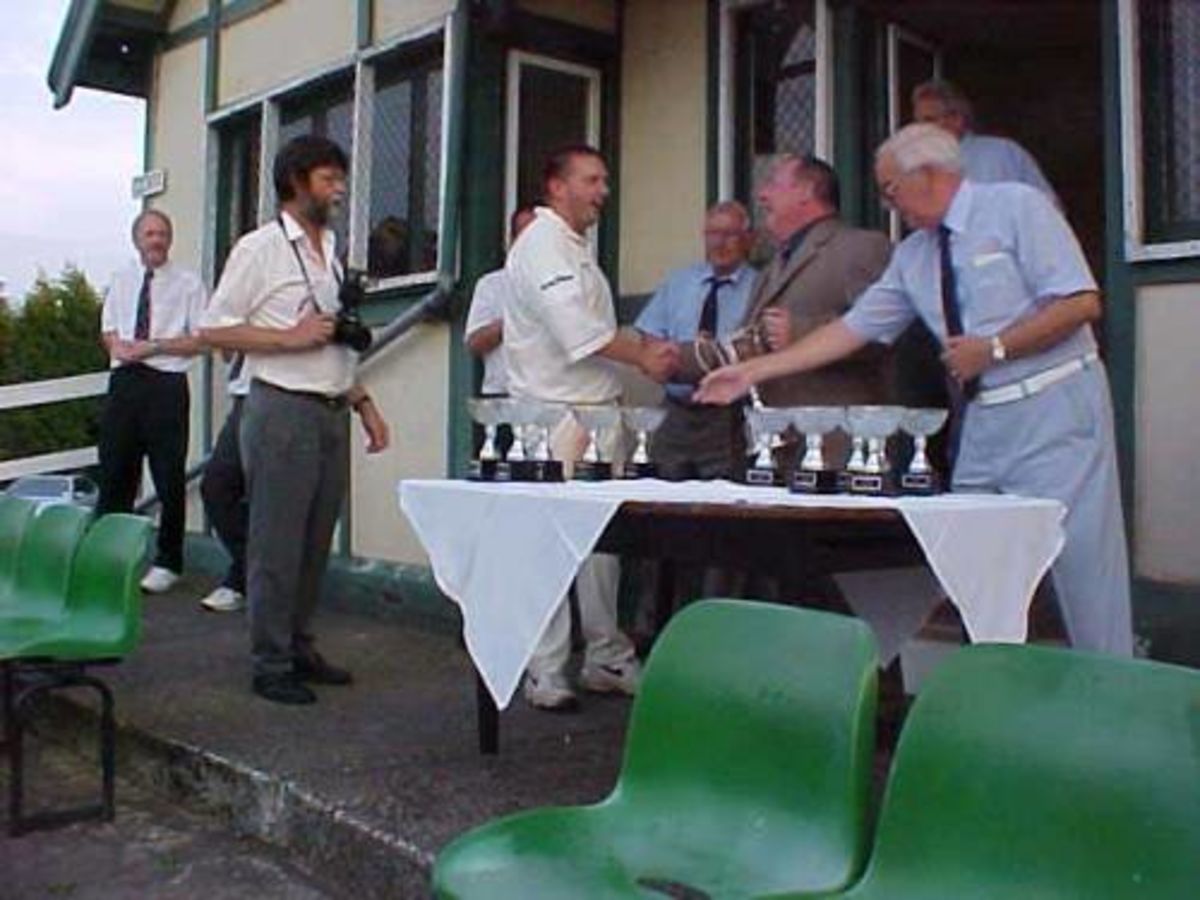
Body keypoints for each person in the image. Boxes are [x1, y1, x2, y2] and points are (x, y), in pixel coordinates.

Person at [696, 124, 1132, 657]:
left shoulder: (1016, 207)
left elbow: (1080, 302)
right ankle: (996, 686)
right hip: (984, 422)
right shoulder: (913, 256)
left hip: (1054, 402)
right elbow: (853, 329)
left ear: (928, 174)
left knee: (1084, 565)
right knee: (966, 559)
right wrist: (752, 372)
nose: (887, 203)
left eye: (890, 189)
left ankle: (1112, 686)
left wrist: (994, 348)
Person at [200, 135, 392, 705]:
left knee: (313, 542)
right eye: (328, 178)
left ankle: (299, 644)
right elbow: (215, 327)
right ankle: (270, 661)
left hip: (330, 408)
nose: (339, 188)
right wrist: (286, 337)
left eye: (340, 178)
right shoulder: (260, 248)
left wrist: (364, 403)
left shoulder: (328, 250)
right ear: (296, 181)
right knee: (276, 543)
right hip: (282, 406)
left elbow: (331, 337)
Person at [505, 144, 678, 710]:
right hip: (555, 418)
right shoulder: (542, 245)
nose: (603, 190)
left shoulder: (575, 247)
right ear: (557, 186)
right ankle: (547, 671)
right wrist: (646, 358)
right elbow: (579, 332)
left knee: (603, 548)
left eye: (605, 180)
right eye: (591, 180)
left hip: (598, 413)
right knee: (551, 546)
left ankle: (606, 657)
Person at [677, 156, 892, 472]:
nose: (762, 195)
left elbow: (887, 334)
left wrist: (802, 333)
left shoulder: (861, 247)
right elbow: (752, 344)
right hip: (775, 448)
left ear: (806, 191)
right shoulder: (772, 266)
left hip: (836, 446)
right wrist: (677, 358)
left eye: (773, 184)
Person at [97, 209, 206, 593]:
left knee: (168, 476)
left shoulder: (189, 283)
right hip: (125, 382)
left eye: (162, 233)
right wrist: (120, 347)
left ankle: (168, 561)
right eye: (149, 234)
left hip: (166, 384)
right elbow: (108, 329)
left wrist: (155, 346)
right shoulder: (121, 280)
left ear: (170, 239)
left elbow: (201, 339)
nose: (156, 240)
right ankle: (109, 556)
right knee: (114, 470)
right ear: (136, 239)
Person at [633, 201, 756, 480]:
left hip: (729, 417)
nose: (719, 242)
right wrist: (661, 361)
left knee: (725, 498)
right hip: (676, 411)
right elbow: (649, 336)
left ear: (749, 239)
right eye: (712, 234)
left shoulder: (760, 287)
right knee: (662, 494)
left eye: (730, 234)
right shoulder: (680, 281)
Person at [912, 79, 1056, 199]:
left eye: (928, 120)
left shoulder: (1003, 153)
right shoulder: (917, 164)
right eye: (920, 121)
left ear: (956, 118)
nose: (921, 129)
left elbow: (1048, 209)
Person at [464, 206, 537, 398]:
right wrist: (512, 321)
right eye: (525, 235)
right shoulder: (491, 285)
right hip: (503, 396)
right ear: (511, 242)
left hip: (554, 398)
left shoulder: (566, 285)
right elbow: (474, 344)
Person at [197, 355, 249, 613]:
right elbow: (228, 351)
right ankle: (250, 570)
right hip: (245, 395)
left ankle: (243, 579)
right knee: (217, 486)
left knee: (269, 494)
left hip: (282, 393)